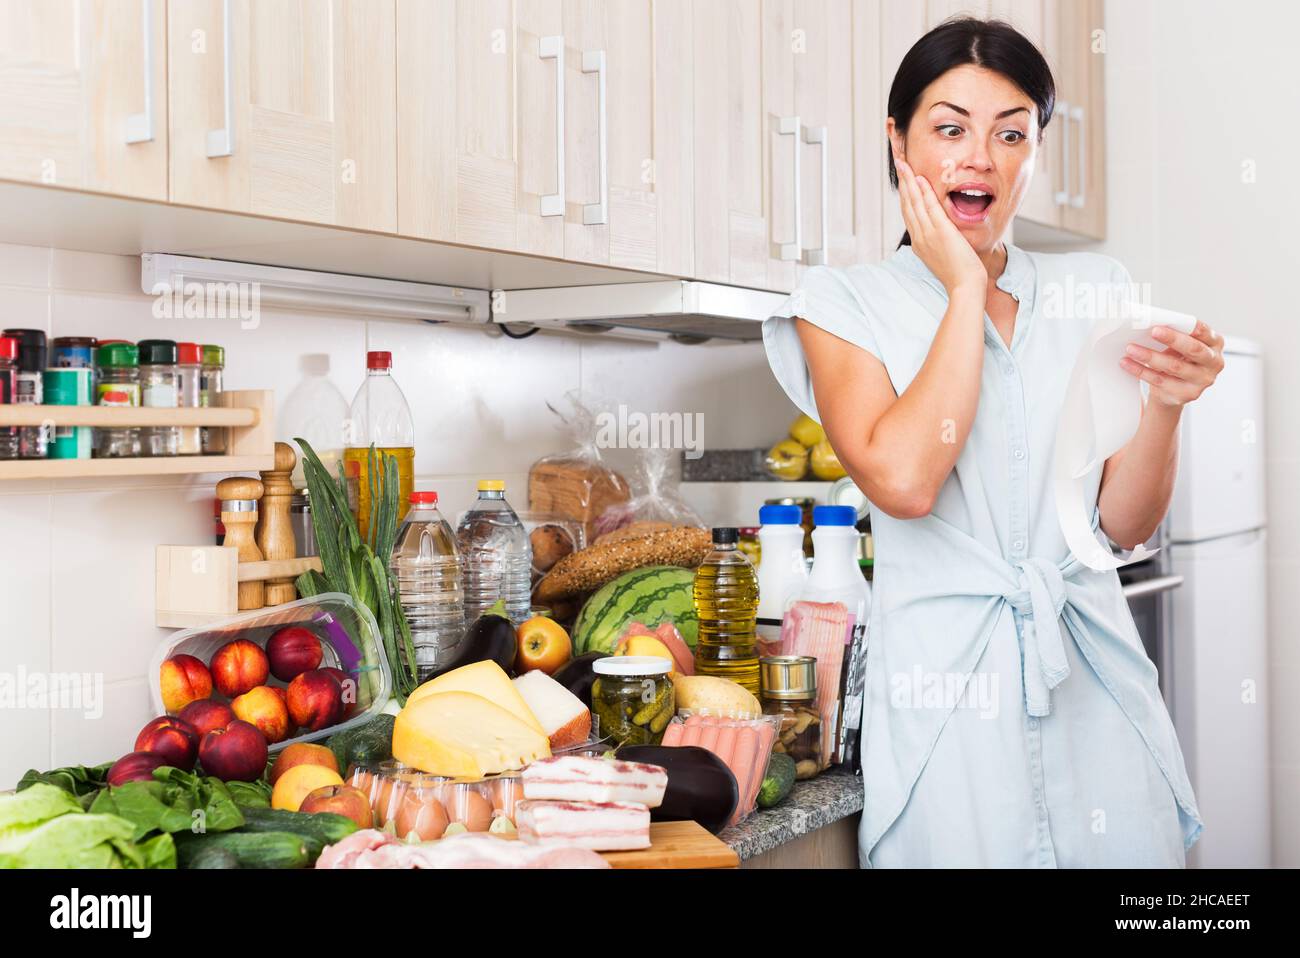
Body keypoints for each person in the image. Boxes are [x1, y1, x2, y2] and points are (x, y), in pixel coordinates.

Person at [763, 16, 1224, 867]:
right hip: (946, 709)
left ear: (1034, 151)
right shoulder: (840, 304)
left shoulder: (1098, 290)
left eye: (1012, 133)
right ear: (898, 142)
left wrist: (1165, 406)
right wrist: (965, 288)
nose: (981, 157)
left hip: (1096, 696)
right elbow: (905, 481)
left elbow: (1119, 526)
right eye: (950, 128)